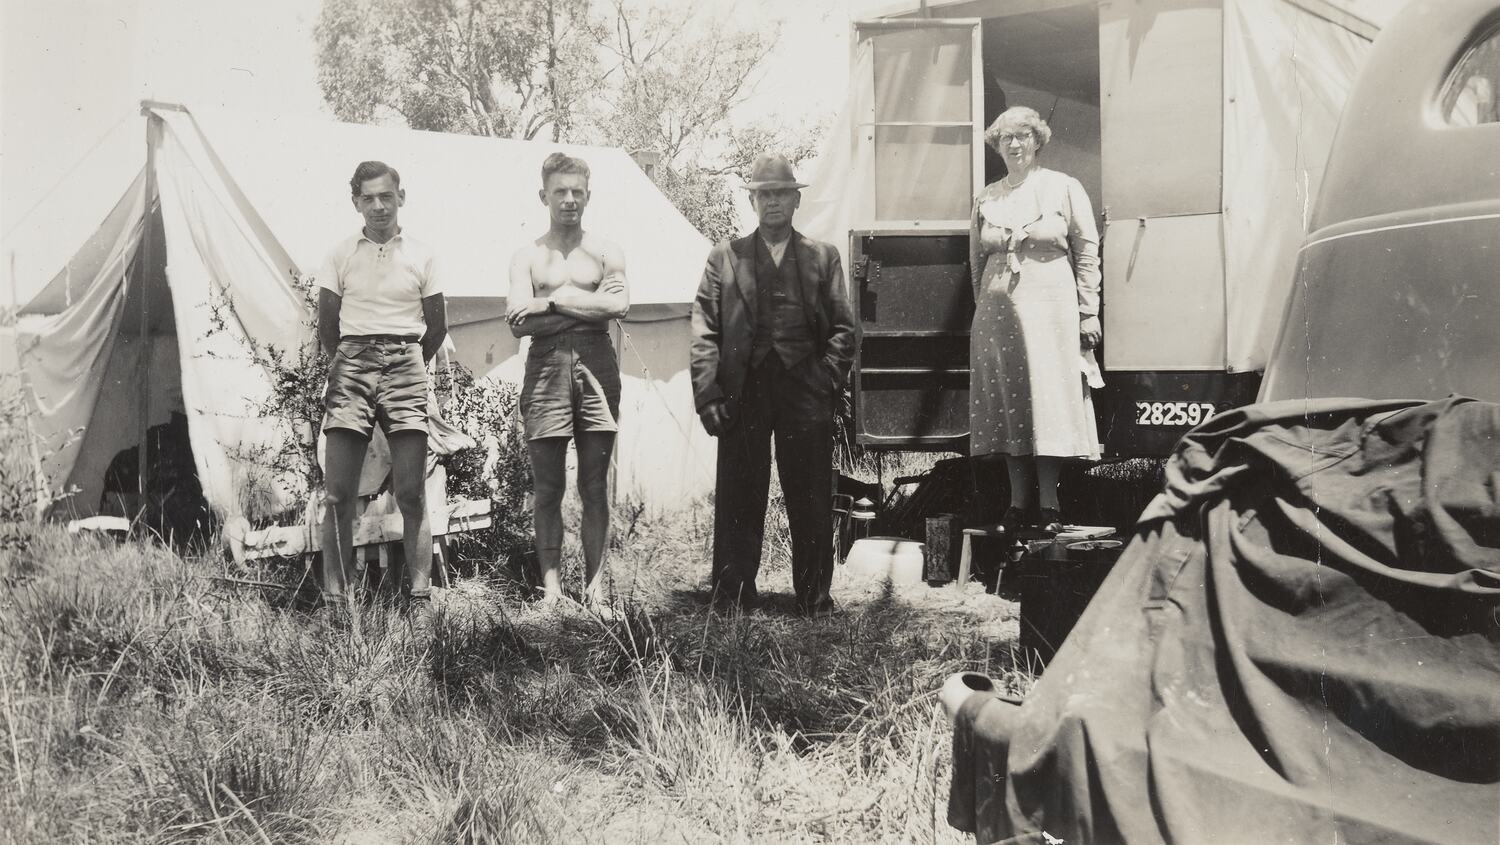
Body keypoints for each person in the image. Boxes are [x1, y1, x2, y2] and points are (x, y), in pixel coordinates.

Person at [690, 153, 858, 617]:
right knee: (740, 493)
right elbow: (704, 329)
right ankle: (733, 596)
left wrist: (825, 379)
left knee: (809, 495)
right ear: (752, 199)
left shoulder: (823, 257)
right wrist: (708, 396)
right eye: (764, 194)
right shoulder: (725, 257)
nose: (772, 202)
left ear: (796, 199)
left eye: (781, 193)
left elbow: (845, 330)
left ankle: (813, 599)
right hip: (743, 390)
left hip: (805, 390)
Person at [317, 160, 447, 615]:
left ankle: (419, 598)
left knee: (411, 491)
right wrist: (356, 362)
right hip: (351, 364)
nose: (378, 206)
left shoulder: (422, 255)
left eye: (385, 196)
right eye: (368, 198)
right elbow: (327, 329)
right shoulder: (339, 255)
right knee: (338, 494)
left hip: (406, 364)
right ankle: (337, 601)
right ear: (356, 202)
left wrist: (403, 365)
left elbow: (436, 328)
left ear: (401, 198)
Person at [968, 106, 1103, 534]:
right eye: (1007, 138)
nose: (1015, 144)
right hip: (998, 313)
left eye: (1023, 136)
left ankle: (1049, 503)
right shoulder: (987, 197)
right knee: (1011, 398)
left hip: (1051, 310)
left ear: (1037, 141)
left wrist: (1088, 311)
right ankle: (1016, 502)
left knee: (1047, 398)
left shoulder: (1063, 188)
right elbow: (975, 261)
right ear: (997, 145)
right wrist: (985, 309)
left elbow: (1086, 250)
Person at [507, 152, 629, 611]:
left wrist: (553, 304)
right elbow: (519, 323)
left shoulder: (605, 251)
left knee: (594, 485)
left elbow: (618, 307)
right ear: (544, 195)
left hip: (598, 365)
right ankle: (552, 591)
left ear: (588, 195)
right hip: (545, 369)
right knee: (548, 487)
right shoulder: (527, 255)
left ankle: (595, 591)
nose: (569, 199)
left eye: (577, 191)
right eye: (560, 191)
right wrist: (585, 304)